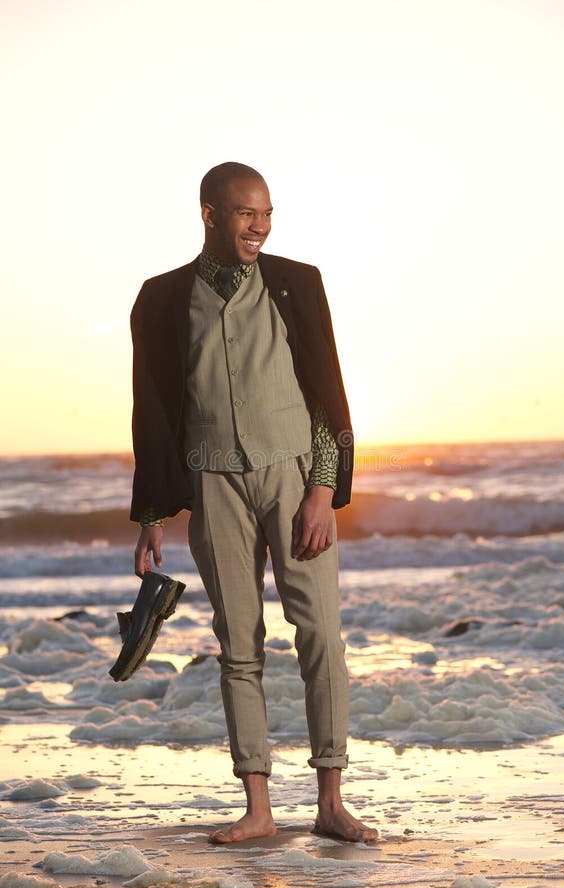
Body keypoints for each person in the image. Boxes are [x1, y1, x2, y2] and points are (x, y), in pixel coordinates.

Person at [130, 162, 378, 844]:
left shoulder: (298, 282)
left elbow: (328, 392)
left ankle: (330, 801)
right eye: (244, 212)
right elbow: (150, 413)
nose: (259, 225)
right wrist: (151, 516)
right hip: (214, 483)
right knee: (238, 644)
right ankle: (259, 809)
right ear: (209, 213)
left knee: (320, 634)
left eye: (266, 212)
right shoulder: (159, 299)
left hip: (294, 476)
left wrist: (322, 492)